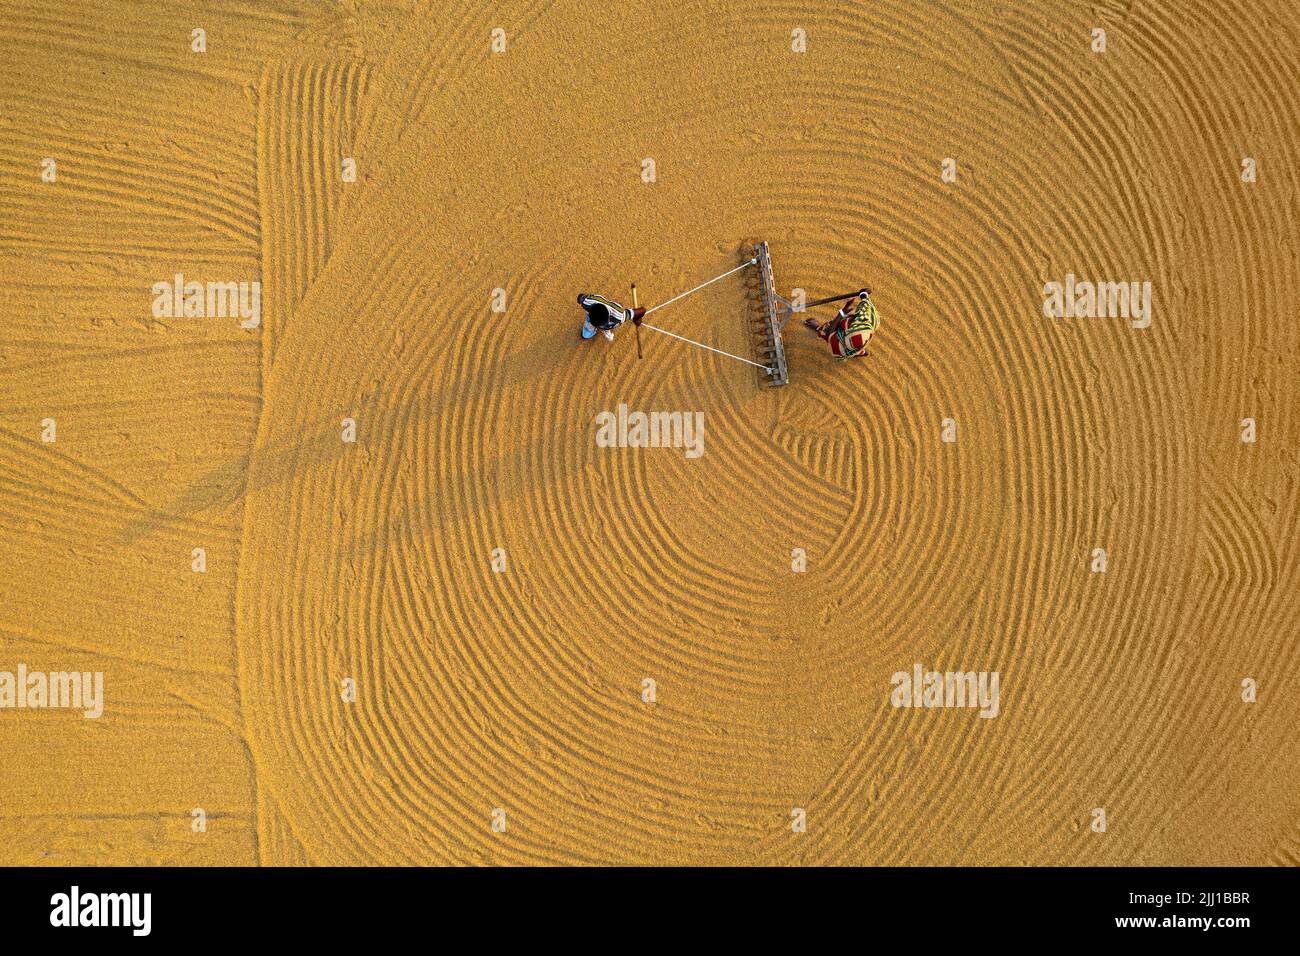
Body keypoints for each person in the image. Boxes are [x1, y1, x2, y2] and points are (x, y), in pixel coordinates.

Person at [805, 288, 878, 359]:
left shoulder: (837, 346)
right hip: (859, 342)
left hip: (843, 348)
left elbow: (829, 334)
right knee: (855, 346)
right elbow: (866, 307)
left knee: (830, 326)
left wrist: (842, 312)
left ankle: (819, 328)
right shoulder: (868, 321)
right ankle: (859, 352)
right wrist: (863, 294)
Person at [578, 293, 645, 341]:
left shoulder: (619, 316)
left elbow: (642, 310)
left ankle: (607, 330)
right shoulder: (586, 302)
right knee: (585, 335)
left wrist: (637, 318)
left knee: (607, 328)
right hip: (593, 317)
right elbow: (581, 297)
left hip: (615, 312)